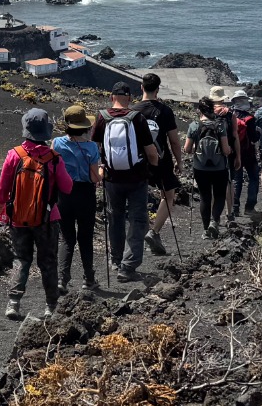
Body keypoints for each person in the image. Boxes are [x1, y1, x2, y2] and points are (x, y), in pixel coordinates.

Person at [0, 108, 75, 320]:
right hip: (47, 219)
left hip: (18, 218)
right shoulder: (54, 158)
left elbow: (2, 191)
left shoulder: (14, 155)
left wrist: (2, 212)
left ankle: (13, 303)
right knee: (48, 261)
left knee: (21, 259)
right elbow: (67, 187)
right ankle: (50, 306)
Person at [96, 79, 157, 282]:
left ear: (111, 97)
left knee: (115, 218)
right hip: (137, 177)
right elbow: (150, 151)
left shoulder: (102, 117)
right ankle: (128, 266)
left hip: (112, 178)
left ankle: (115, 260)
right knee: (137, 220)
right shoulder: (137, 118)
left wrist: (99, 170)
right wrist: (155, 166)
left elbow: (95, 148)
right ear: (129, 98)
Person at [53, 103, 103, 291]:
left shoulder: (57, 143)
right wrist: (102, 172)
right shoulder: (91, 147)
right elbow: (94, 178)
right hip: (85, 193)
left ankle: (61, 280)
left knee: (66, 238)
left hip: (63, 194)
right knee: (85, 237)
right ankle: (88, 279)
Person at [136, 72, 182, 257]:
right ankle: (154, 232)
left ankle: (139, 232)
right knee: (168, 196)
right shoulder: (165, 111)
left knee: (138, 196)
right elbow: (174, 141)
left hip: (139, 161)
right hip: (162, 160)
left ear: (141, 87)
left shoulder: (133, 111)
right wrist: (179, 161)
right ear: (158, 89)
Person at [186, 90, 234, 238]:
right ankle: (215, 221)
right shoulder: (220, 125)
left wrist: (196, 148)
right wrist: (230, 150)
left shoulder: (194, 126)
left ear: (199, 110)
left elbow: (187, 149)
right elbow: (225, 150)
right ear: (212, 109)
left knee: (205, 197)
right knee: (219, 196)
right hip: (219, 167)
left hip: (200, 167)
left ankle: (206, 230)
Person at [226, 88, 260, 224]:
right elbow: (254, 138)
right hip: (249, 153)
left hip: (234, 153)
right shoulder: (250, 119)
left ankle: (235, 207)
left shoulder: (230, 116)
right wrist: (258, 133)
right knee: (253, 178)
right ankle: (249, 207)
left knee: (237, 180)